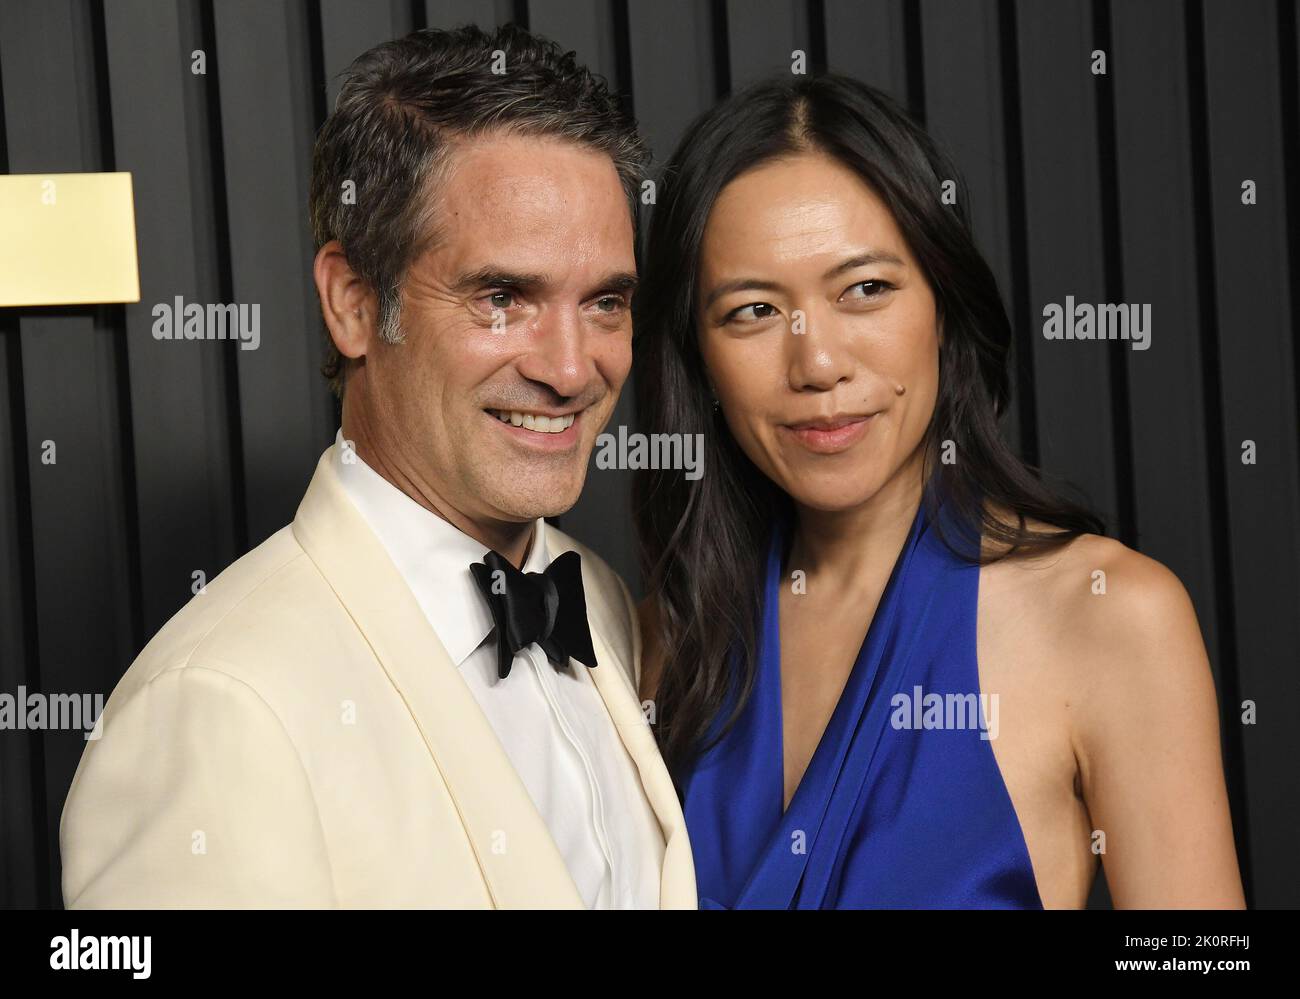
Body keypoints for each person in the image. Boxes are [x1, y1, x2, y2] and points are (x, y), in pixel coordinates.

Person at [60, 23, 694, 909]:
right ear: (354, 304)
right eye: (502, 297)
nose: (569, 367)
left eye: (606, 302)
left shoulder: (595, 601)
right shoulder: (214, 707)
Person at [632, 73, 1244, 909]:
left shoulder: (1110, 615)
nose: (817, 364)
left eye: (866, 290)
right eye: (753, 310)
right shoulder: (676, 632)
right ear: (697, 357)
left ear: (944, 306)